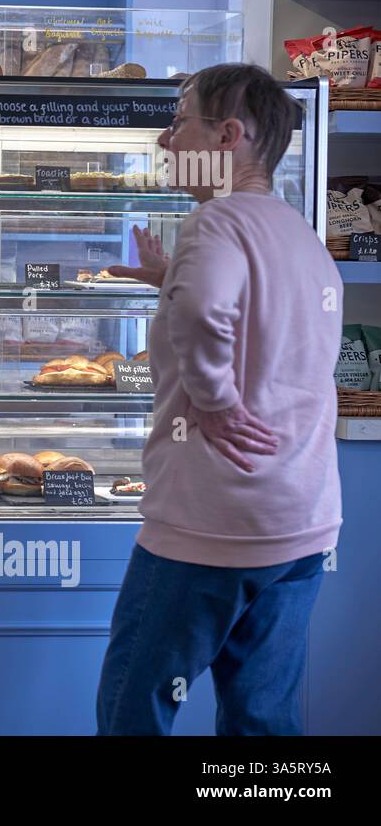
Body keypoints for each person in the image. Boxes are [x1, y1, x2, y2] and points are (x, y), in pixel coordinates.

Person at [95, 63, 342, 735]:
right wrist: (171, 281)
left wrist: (214, 402)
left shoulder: (214, 222)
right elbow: (268, 332)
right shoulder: (303, 239)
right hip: (301, 519)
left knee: (132, 707)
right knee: (262, 718)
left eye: (180, 122)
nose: (165, 141)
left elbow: (208, 313)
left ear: (227, 134)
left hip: (211, 523)